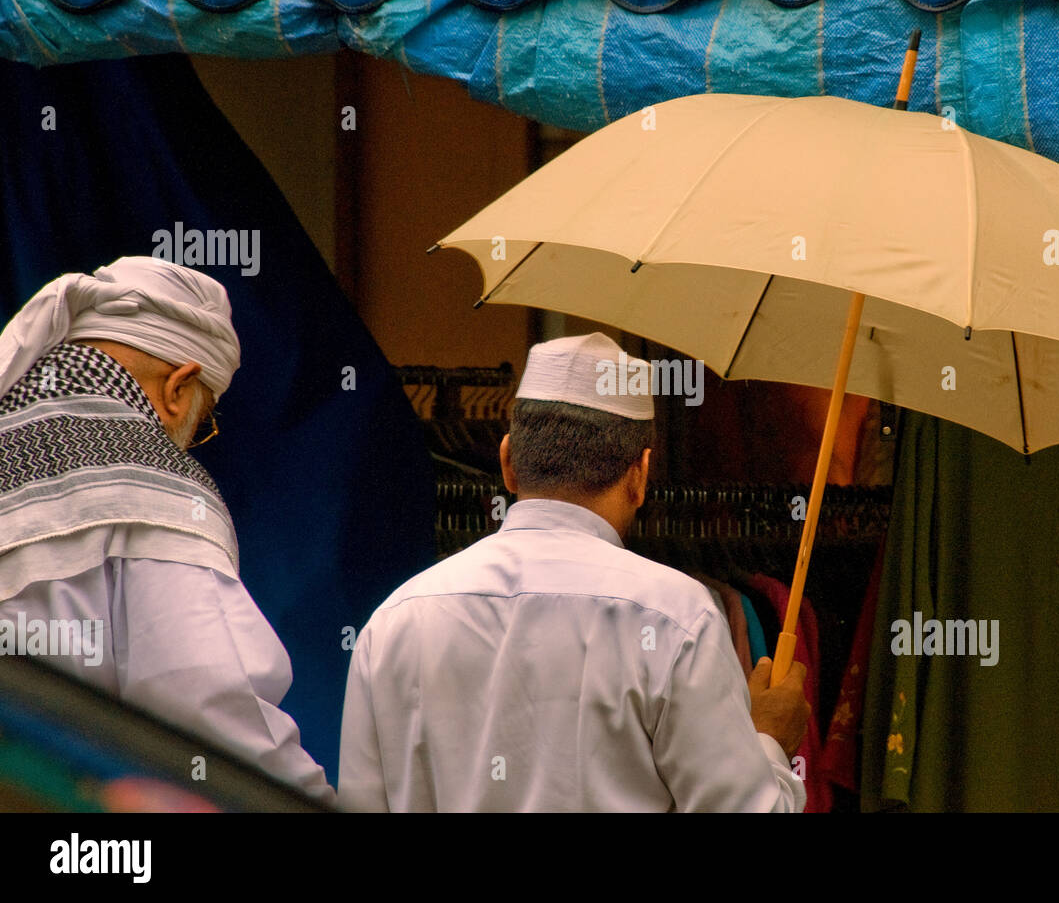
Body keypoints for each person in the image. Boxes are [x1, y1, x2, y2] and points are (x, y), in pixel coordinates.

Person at [339, 332, 810, 811]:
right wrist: (769, 742)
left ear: (507, 463)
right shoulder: (678, 617)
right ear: (641, 474)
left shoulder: (394, 621)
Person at [0, 256, 334, 804]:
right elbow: (206, 708)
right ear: (179, 386)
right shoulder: (148, 476)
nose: (192, 440)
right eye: (203, 425)